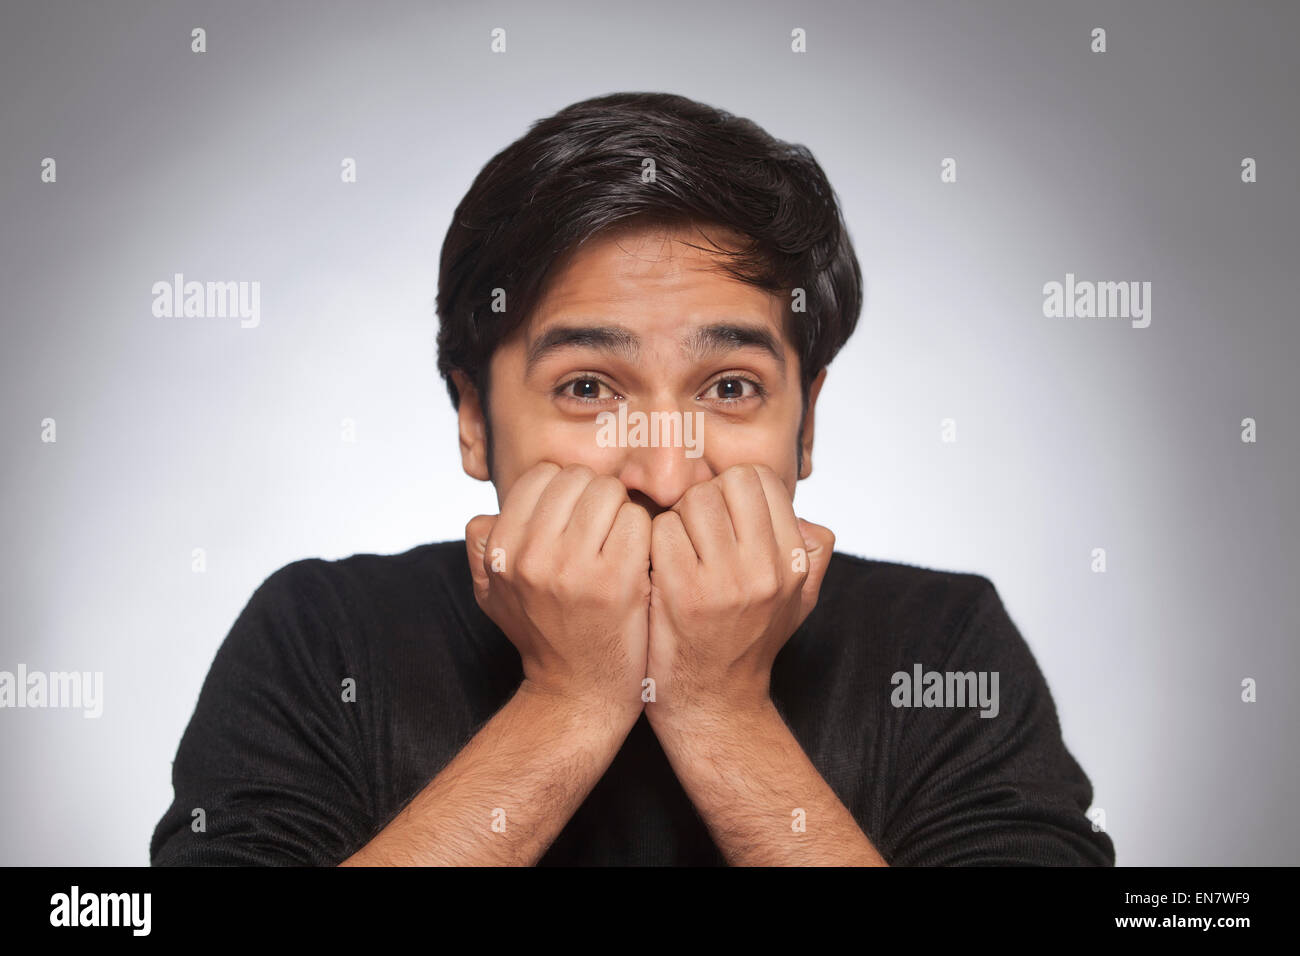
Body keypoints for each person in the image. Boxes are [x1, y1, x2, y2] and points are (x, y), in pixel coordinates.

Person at [151, 91, 1115, 866]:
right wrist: (565, 702)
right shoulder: (322, 635)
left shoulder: (943, 647)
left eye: (730, 386)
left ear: (807, 422)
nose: (663, 469)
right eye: (586, 387)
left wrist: (719, 709)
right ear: (475, 421)